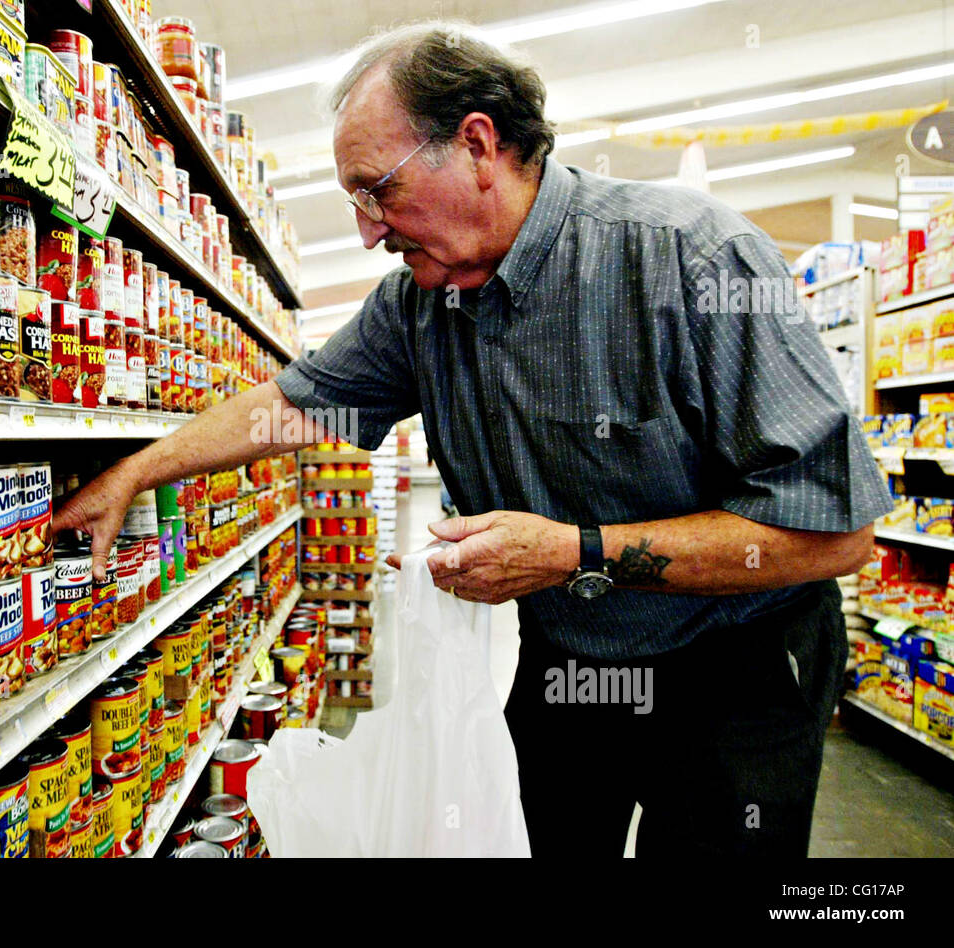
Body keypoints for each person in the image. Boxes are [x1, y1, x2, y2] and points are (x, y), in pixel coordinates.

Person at [52, 22, 892, 856]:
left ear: (478, 145)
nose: (368, 232)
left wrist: (575, 553)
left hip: (735, 667)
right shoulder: (418, 305)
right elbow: (295, 404)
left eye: (377, 190)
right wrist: (138, 469)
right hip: (571, 658)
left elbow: (835, 532)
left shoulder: (694, 260)